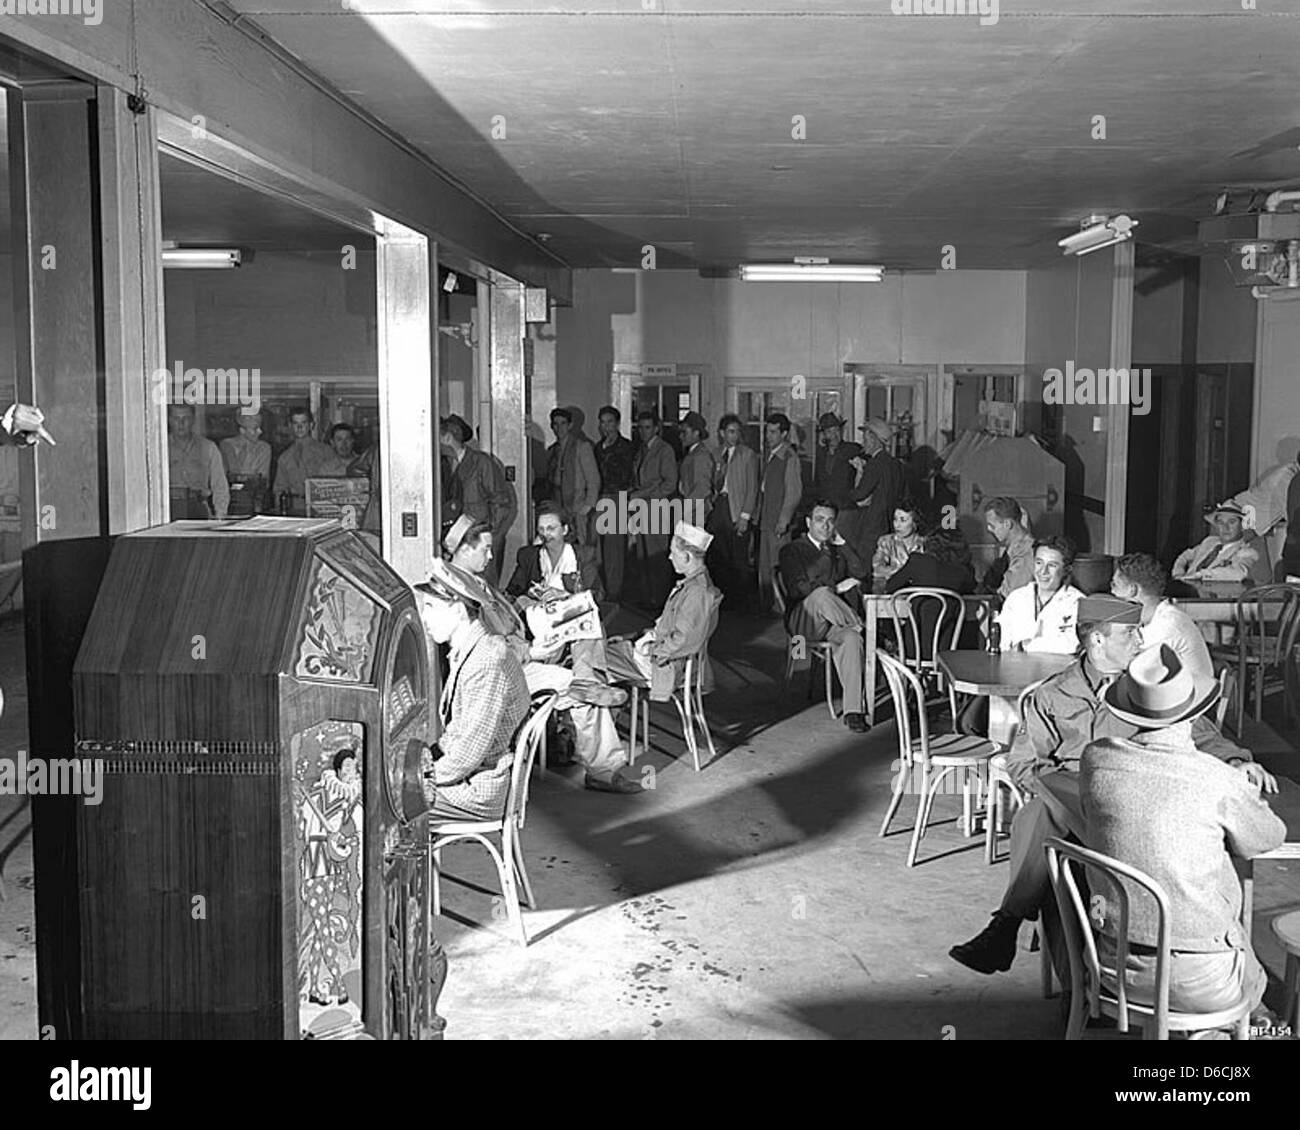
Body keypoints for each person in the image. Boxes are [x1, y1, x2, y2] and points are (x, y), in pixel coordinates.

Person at [948, 598, 1265, 977]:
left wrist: (1237, 761)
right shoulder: (1053, 694)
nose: (1139, 638)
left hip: (1137, 807)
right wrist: (1064, 790)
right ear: (1097, 640)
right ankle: (1077, 987)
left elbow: (1202, 734)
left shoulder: (1149, 686)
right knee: (1051, 829)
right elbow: (1023, 762)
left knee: (1044, 829)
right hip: (1071, 797)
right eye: (1129, 632)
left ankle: (1009, 928)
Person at [1081, 645, 1286, 1016]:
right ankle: (1246, 1029)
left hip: (1112, 966)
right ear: (1195, 714)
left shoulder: (1096, 760)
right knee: (1260, 994)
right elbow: (1268, 837)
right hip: (1204, 980)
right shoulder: (1217, 779)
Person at [444, 515, 641, 795]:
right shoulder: (457, 592)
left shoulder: (474, 581)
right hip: (507, 664)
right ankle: (602, 764)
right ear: (464, 549)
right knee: (578, 683)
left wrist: (527, 605)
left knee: (585, 625)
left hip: (524, 639)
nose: (491, 556)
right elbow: (480, 647)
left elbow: (505, 606)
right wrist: (525, 646)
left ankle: (588, 683)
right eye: (485, 549)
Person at [415, 560, 531, 821]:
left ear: (457, 610)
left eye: (431, 607)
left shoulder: (486, 661)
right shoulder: (471, 649)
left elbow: (467, 754)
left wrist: (417, 777)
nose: (424, 617)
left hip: (481, 788)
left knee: (382, 799)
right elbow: (459, 737)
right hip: (473, 775)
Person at [605, 522, 723, 705]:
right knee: (596, 654)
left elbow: (685, 639)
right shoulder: (691, 586)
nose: (669, 557)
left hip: (663, 667)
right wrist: (633, 638)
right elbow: (666, 628)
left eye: (673, 553)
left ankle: (600, 721)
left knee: (591, 662)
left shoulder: (697, 593)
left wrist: (651, 650)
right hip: (656, 656)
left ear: (687, 557)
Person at [778, 501, 869, 733]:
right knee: (821, 595)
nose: (825, 525)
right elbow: (799, 588)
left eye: (830, 521)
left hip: (833, 622)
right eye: (820, 519)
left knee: (851, 638)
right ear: (808, 522)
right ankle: (868, 630)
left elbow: (860, 573)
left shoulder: (836, 550)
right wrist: (835, 588)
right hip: (804, 619)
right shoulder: (792, 550)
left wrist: (844, 544)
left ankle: (853, 711)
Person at [1110, 551, 1213, 681]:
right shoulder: (1154, 616)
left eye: (1115, 585)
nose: (1112, 592)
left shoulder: (1167, 625)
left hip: (1192, 697)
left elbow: (1134, 669)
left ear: (1132, 590)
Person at [441, 413, 516, 585]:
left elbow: (502, 502)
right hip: (456, 540)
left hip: (479, 538)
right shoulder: (445, 465)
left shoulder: (482, 463)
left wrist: (489, 534)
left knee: (484, 587)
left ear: (447, 438)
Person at [706, 413, 761, 613]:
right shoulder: (714, 453)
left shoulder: (747, 455)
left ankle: (741, 603)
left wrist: (745, 516)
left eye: (737, 431)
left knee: (739, 558)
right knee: (719, 556)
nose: (734, 435)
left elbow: (752, 488)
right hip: (718, 507)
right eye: (730, 431)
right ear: (721, 433)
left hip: (736, 507)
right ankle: (722, 600)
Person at [505, 501, 605, 609]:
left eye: (551, 528)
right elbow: (513, 592)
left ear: (565, 530)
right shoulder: (529, 556)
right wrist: (527, 597)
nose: (545, 534)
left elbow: (597, 595)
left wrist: (565, 596)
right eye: (541, 529)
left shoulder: (584, 556)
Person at [997, 535, 1085, 654]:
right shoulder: (1017, 598)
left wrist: (1025, 645)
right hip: (1014, 668)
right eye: (1039, 563)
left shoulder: (1077, 602)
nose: (1043, 571)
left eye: (1052, 565)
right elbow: (1000, 639)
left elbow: (1073, 644)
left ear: (1066, 570)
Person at [629, 410, 678, 608]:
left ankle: (660, 600)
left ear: (656, 428)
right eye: (640, 427)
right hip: (641, 508)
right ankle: (647, 596)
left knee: (657, 555)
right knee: (642, 554)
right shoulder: (641, 450)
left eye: (648, 427)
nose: (643, 431)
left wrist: (643, 494)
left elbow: (670, 483)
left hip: (657, 508)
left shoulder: (664, 450)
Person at [757, 413, 804, 616]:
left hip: (778, 522)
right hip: (767, 519)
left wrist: (784, 520)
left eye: (773, 432)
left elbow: (794, 492)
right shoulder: (770, 454)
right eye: (767, 431)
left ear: (784, 433)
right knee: (765, 565)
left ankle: (781, 607)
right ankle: (766, 605)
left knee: (778, 565)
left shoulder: (788, 457)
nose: (769, 435)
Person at [594, 405, 636, 603]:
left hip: (617, 498)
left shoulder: (626, 447)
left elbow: (629, 477)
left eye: (610, 422)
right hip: (599, 498)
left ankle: (615, 593)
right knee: (600, 549)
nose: (606, 426)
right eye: (603, 422)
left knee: (614, 550)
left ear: (617, 423)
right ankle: (603, 589)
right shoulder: (597, 447)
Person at [848, 417, 904, 563]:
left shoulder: (875, 464)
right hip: (890, 524)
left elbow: (859, 495)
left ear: (873, 439)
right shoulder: (894, 464)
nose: (863, 443)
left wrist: (848, 491)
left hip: (873, 525)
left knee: (866, 565)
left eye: (865, 439)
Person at [812, 413, 865, 565]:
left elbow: (867, 470)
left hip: (846, 510)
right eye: (829, 431)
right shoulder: (820, 453)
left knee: (846, 551)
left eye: (837, 430)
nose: (834, 435)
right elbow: (817, 483)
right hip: (826, 511)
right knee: (827, 552)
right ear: (823, 434)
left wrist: (860, 465)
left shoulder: (852, 449)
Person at [273, 406, 343, 517]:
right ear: (290, 426)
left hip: (321, 509)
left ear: (311, 425)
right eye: (296, 423)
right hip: (294, 510)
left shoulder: (325, 452)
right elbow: (279, 490)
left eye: (304, 423)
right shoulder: (284, 457)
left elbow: (338, 485)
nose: (300, 427)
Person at [546, 407, 600, 547]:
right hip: (558, 506)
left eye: (563, 423)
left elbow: (593, 479)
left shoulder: (582, 447)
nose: (559, 428)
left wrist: (587, 506)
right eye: (556, 424)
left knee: (580, 546)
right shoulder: (553, 450)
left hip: (577, 506)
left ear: (570, 425)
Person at [1172, 500, 1263, 584]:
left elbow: (1238, 574)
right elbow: (1184, 556)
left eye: (1231, 522)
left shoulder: (1246, 552)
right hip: (1185, 591)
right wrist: (1178, 573)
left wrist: (1199, 575)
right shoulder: (1210, 542)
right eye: (1221, 523)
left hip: (1211, 599)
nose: (1225, 527)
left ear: (1242, 526)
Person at [168, 404, 229, 520]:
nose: (181, 423)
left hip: (198, 508)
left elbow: (219, 484)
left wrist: (220, 514)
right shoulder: (160, 448)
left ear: (193, 420)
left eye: (186, 418)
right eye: (176, 418)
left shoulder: (208, 447)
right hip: (169, 509)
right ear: (169, 420)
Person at [219, 406, 272, 516]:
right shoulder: (227, 445)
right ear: (242, 430)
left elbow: (260, 480)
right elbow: (230, 475)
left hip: (255, 502)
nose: (260, 431)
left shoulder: (264, 448)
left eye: (260, 427)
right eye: (255, 428)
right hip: (232, 501)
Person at [979, 496, 1035, 599]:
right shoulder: (1013, 550)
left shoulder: (1025, 554)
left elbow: (1011, 595)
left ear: (1007, 524)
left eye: (992, 526)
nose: (989, 529)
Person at [677, 411, 716, 527]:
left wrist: (685, 511)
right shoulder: (693, 453)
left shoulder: (700, 456)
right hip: (693, 511)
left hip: (696, 513)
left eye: (684, 432)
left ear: (696, 433)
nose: (681, 436)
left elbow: (702, 488)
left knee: (690, 545)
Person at [872, 499, 927, 580]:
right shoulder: (886, 541)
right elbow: (877, 569)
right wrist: (905, 572)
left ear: (915, 522)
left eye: (903, 520)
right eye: (895, 519)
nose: (897, 525)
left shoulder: (925, 543)